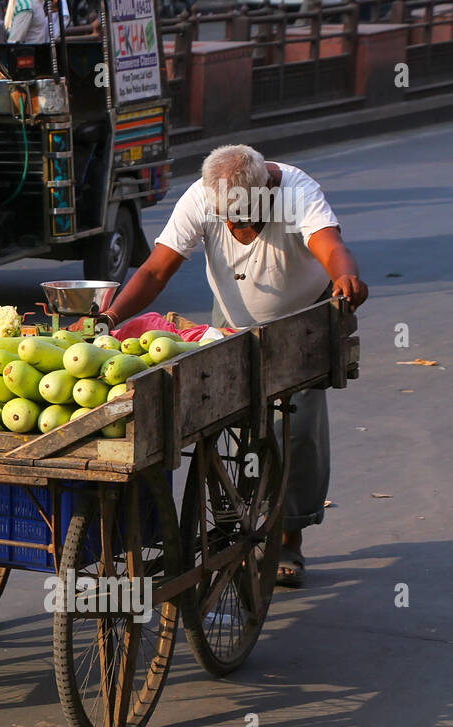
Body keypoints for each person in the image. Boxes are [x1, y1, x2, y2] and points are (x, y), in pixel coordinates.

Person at [102, 144, 368, 588]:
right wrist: (110, 318)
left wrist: (346, 277)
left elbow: (331, 245)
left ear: (264, 188)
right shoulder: (201, 199)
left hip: (301, 320)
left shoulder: (297, 192)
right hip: (232, 321)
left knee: (295, 428)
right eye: (226, 216)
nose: (232, 226)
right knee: (220, 416)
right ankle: (231, 519)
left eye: (241, 216)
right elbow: (154, 271)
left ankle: (288, 537)